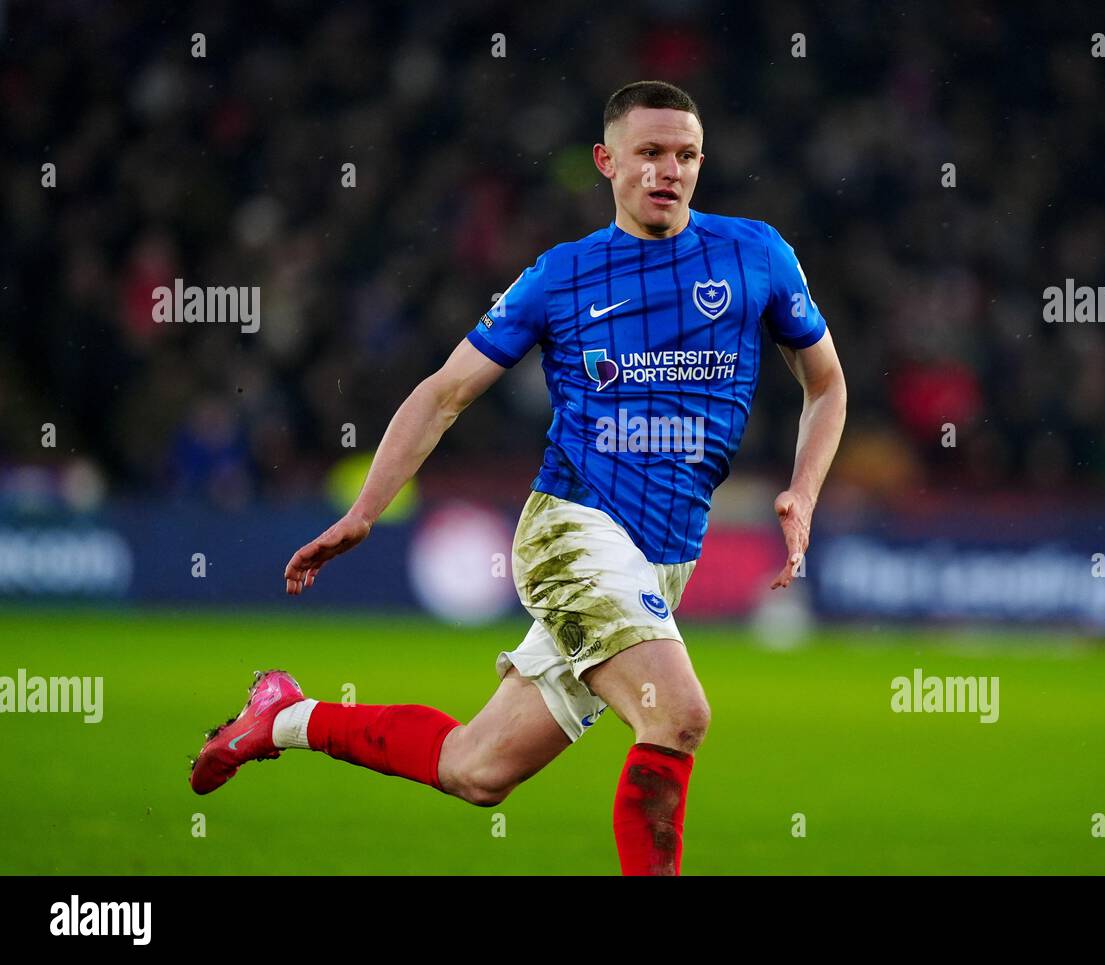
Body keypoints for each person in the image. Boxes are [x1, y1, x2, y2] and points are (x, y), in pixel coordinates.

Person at [190, 79, 847, 876]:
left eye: (684, 155)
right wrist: (365, 511)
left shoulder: (757, 255)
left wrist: (803, 491)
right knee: (676, 715)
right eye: (648, 154)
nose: (667, 170)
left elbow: (826, 384)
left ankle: (285, 717)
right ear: (607, 161)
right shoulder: (560, 278)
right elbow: (444, 394)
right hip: (572, 530)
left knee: (477, 768)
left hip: (662, 560)